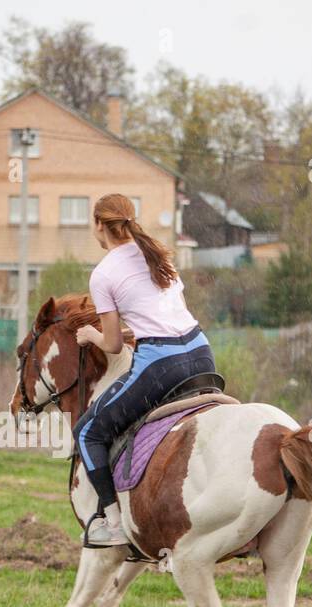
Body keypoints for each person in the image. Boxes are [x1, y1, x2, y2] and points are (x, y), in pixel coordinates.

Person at [72, 193, 217, 547]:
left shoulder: (104, 273)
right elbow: (168, 318)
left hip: (160, 365)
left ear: (98, 226)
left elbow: (113, 347)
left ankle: (113, 522)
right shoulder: (158, 254)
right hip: (200, 354)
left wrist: (91, 334)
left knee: (88, 431)